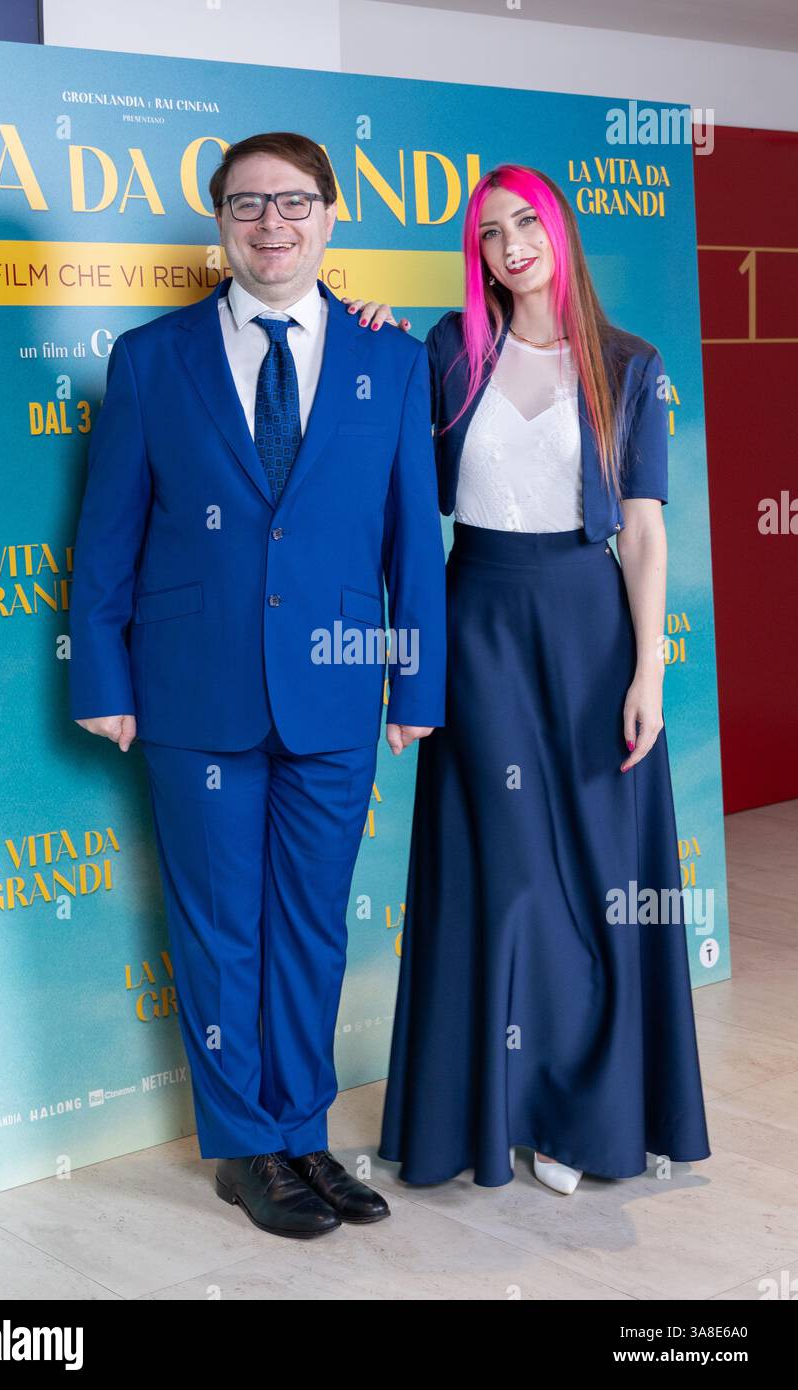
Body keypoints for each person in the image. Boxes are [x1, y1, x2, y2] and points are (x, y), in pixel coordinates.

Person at [68, 131, 447, 1238]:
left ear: (328, 216)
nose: (270, 224)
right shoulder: (152, 357)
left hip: (335, 691)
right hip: (192, 694)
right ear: (220, 223)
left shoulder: (389, 359)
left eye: (291, 204)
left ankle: (301, 1132)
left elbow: (409, 541)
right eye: (246, 206)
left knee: (312, 929)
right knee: (220, 927)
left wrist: (413, 685)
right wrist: (102, 671)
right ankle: (244, 1148)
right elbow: (109, 537)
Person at [348, 164, 711, 1195]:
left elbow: (642, 533)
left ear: (557, 229)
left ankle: (577, 1120)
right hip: (478, 621)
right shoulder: (444, 352)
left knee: (599, 885)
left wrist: (646, 670)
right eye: (488, 230)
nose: (509, 243)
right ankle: (495, 1107)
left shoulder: (628, 365)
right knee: (506, 879)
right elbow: (380, 452)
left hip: (589, 625)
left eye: (524, 222)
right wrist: (363, 330)